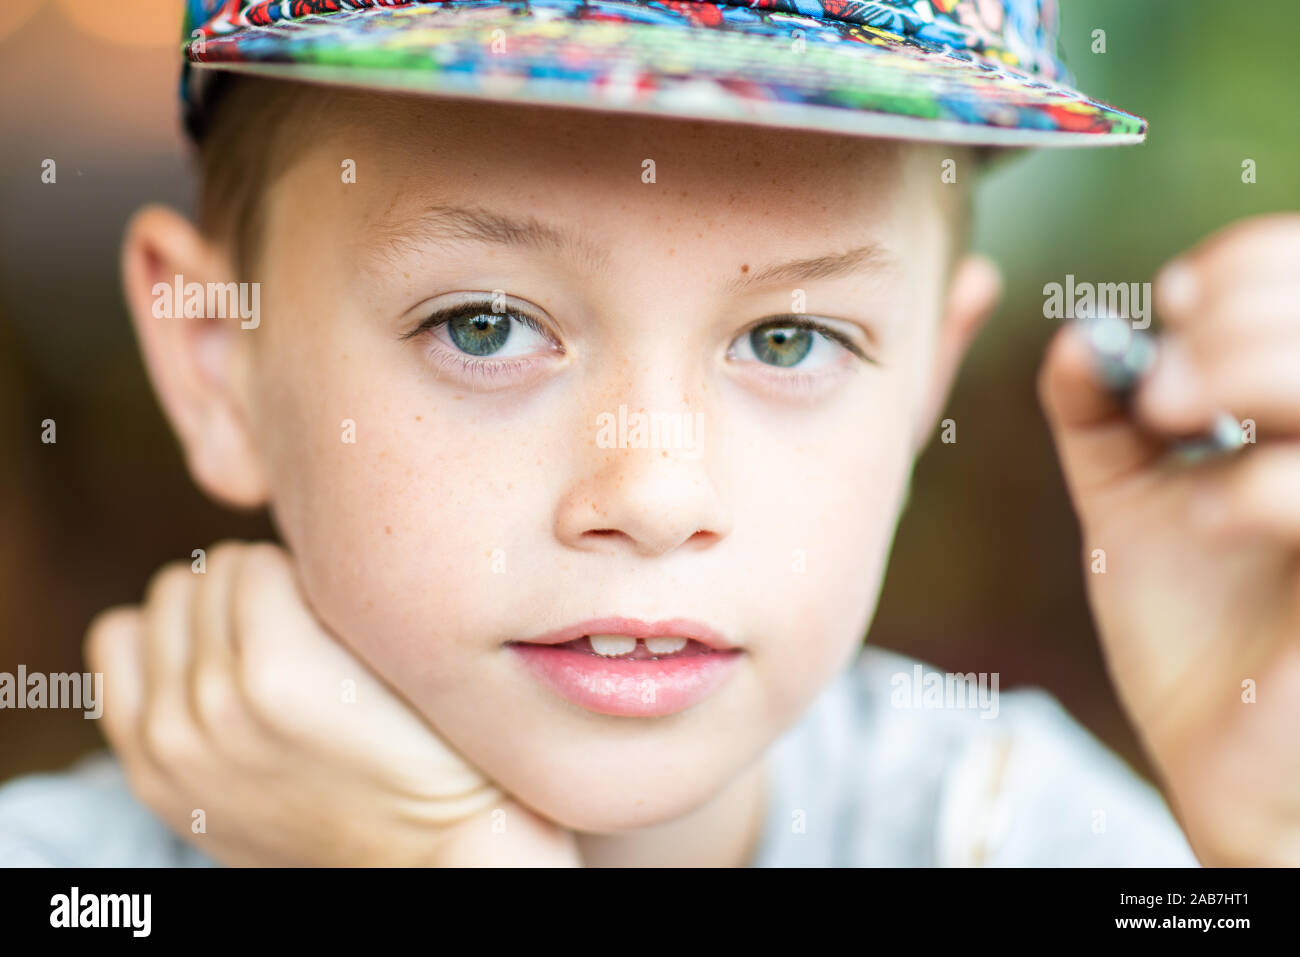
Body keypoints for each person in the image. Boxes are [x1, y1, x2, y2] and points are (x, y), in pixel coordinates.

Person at [2, 0, 1297, 867]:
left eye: (788, 339)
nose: (658, 492)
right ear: (219, 361)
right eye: (488, 326)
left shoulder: (1008, 830)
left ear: (924, 386)